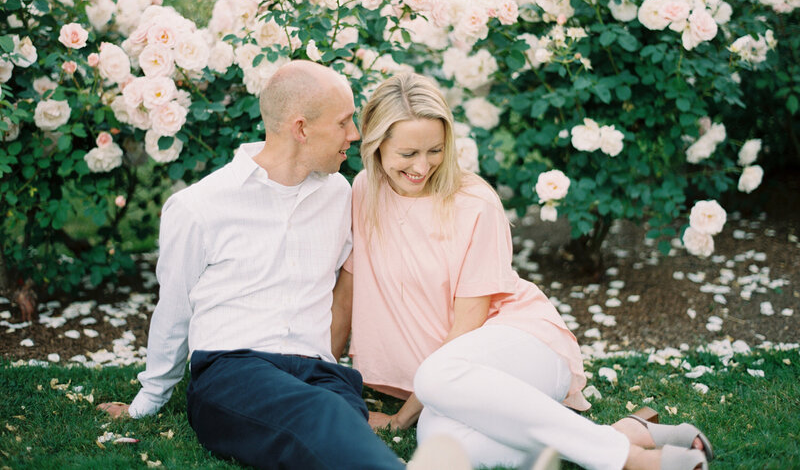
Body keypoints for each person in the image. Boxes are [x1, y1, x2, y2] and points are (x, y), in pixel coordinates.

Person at [343, 71, 713, 470]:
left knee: (434, 379)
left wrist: (399, 419)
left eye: (435, 150)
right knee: (441, 440)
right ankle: (622, 435)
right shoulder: (365, 191)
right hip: (453, 382)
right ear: (376, 145)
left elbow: (467, 325)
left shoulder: (474, 202)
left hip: (520, 345)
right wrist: (319, 380)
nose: (423, 165)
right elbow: (346, 293)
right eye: (407, 153)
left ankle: (628, 458)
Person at [97, 60, 446, 470]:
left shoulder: (339, 194)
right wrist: (148, 400)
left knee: (334, 413)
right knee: (323, 415)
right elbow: (174, 309)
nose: (354, 134)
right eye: (343, 122)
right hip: (233, 370)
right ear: (301, 129)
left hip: (321, 374)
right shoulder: (199, 206)